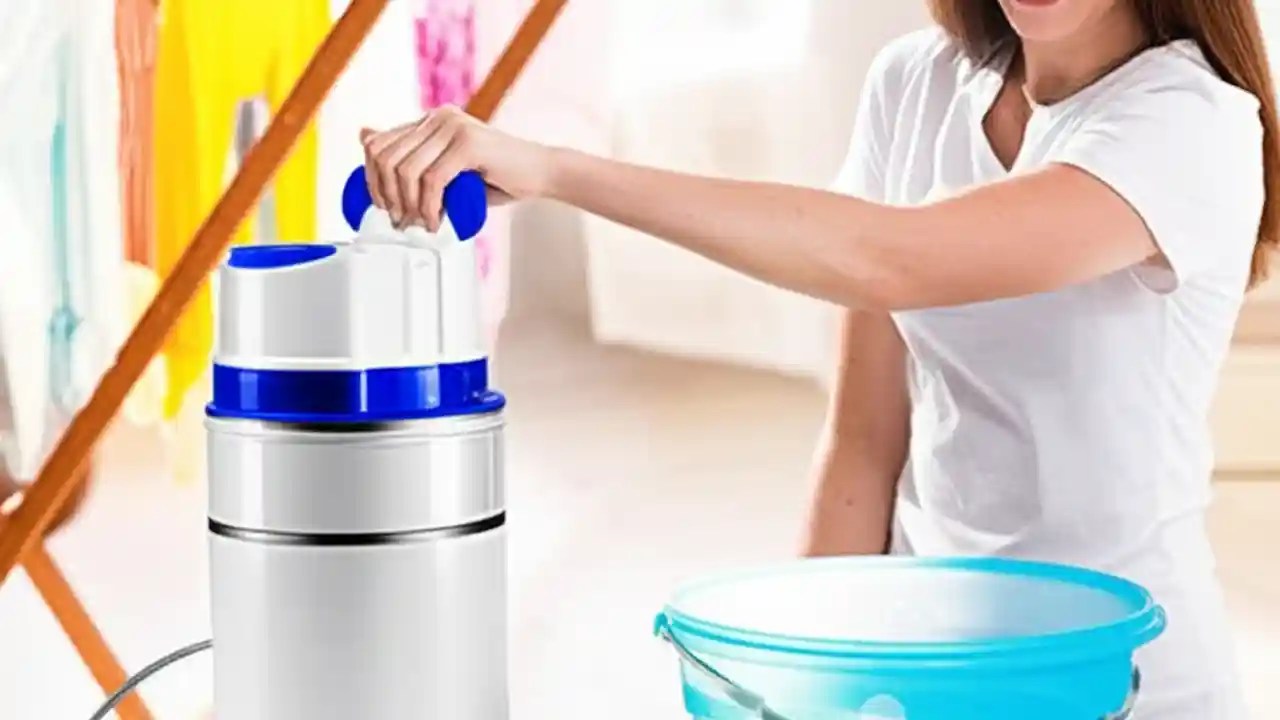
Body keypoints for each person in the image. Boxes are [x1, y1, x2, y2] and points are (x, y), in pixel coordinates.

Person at [360, 0, 1276, 716]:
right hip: (924, 669)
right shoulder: (915, 85)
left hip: (1121, 679)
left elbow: (896, 256)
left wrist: (560, 170)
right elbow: (863, 447)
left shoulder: (1190, 120)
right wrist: (796, 676)